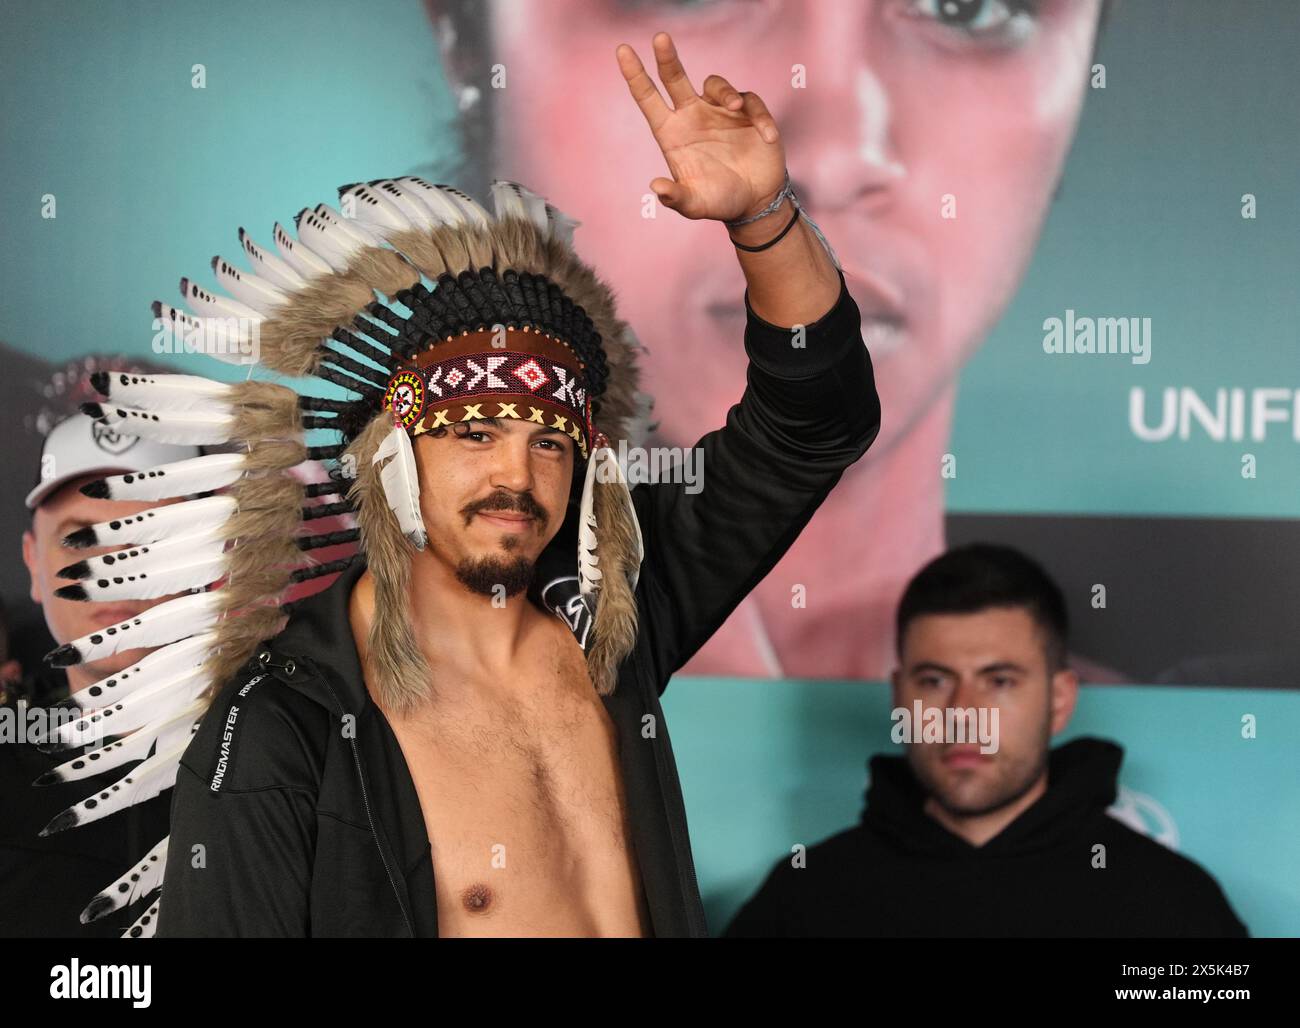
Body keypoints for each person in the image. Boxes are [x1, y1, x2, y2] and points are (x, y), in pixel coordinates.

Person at [48, 33, 880, 936]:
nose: (514, 477)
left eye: (550, 443)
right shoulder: (287, 722)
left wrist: (763, 217)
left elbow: (813, 425)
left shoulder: (615, 613)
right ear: (390, 460)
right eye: (472, 433)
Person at [425, 0, 1113, 679]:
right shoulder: (337, 631)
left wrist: (765, 224)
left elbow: (808, 418)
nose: (838, 156)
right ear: (464, 36)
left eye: (963, 7)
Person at [726, 543, 1248, 937]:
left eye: (999, 681)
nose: (963, 714)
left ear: (1060, 699)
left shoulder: (1171, 906)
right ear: (898, 696)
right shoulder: (804, 899)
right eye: (934, 681)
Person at [1, 406, 199, 937]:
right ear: (33, 565)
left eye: (150, 533)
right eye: (78, 538)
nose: (112, 565)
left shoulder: (288, 751)